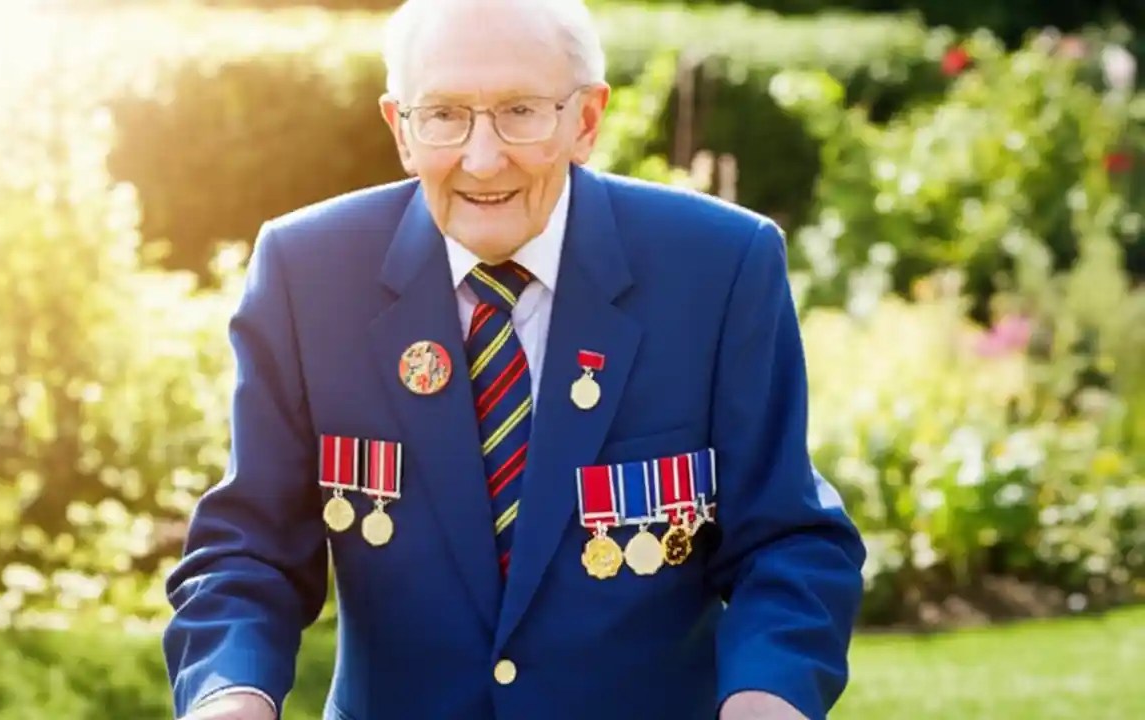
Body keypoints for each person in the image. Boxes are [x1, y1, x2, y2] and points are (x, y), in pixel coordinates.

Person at [162, 0, 866, 718]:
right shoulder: (306, 274)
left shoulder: (718, 268)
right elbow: (250, 551)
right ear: (400, 129)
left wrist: (766, 697)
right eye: (443, 115)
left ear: (585, 121)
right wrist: (231, 695)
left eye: (521, 111)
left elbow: (787, 541)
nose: (482, 157)